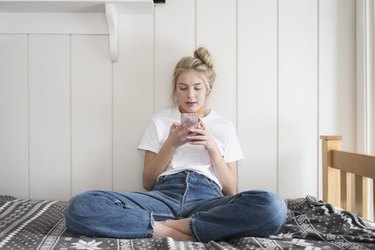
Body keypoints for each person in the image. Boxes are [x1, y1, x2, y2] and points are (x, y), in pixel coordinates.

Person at [65, 47, 287, 243]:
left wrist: (212, 147)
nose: (190, 95)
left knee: (273, 207)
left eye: (197, 88)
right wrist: (171, 144)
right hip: (163, 197)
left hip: (208, 200)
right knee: (80, 206)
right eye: (183, 88)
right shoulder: (159, 121)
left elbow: (230, 190)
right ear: (175, 89)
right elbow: (148, 182)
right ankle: (176, 229)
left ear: (208, 89)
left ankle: (175, 226)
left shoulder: (224, 126)